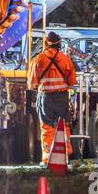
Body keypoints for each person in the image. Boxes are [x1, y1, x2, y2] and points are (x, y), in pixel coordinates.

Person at [28, 31, 77, 164]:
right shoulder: (66, 59)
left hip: (45, 98)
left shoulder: (38, 59)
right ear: (59, 44)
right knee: (64, 125)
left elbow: (32, 83)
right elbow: (72, 81)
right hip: (62, 97)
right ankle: (65, 154)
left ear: (46, 44)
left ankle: (47, 157)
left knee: (47, 127)